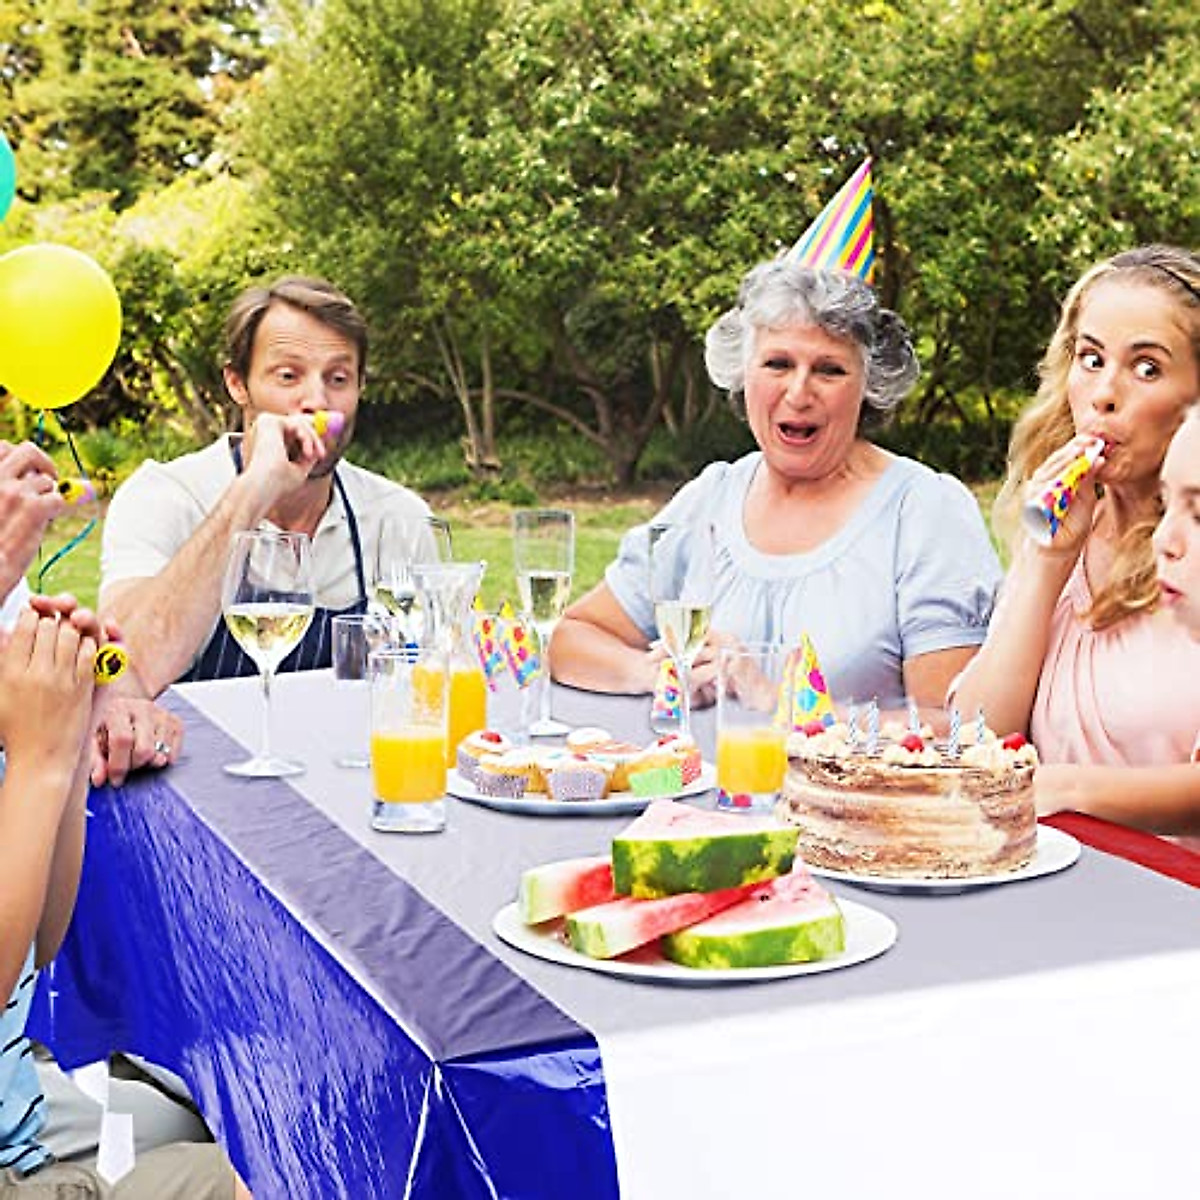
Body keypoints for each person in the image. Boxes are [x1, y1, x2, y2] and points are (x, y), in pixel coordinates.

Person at [552, 257, 1002, 716]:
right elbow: (570, 637)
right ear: (743, 375)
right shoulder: (710, 498)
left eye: (829, 370)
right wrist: (654, 674)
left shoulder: (925, 511)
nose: (799, 393)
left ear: (868, 386)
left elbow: (954, 728)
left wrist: (777, 702)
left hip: (843, 790)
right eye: (777, 363)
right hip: (693, 787)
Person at [1, 447, 246, 1196]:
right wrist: (41, 761)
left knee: (226, 1097)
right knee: (303, 1164)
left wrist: (65, 747)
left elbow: (41, 938)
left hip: (22, 1114)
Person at [954, 245, 1200, 839]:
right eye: (1090, 359)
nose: (1103, 393)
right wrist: (1046, 560)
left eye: (1146, 368)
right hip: (1054, 887)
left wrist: (1067, 788)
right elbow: (974, 739)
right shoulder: (1062, 525)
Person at [99, 276, 430, 694]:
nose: (317, 400)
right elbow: (123, 674)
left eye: (339, 378)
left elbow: (435, 682)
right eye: (289, 376)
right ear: (238, 384)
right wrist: (253, 491)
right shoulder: (161, 498)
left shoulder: (399, 519)